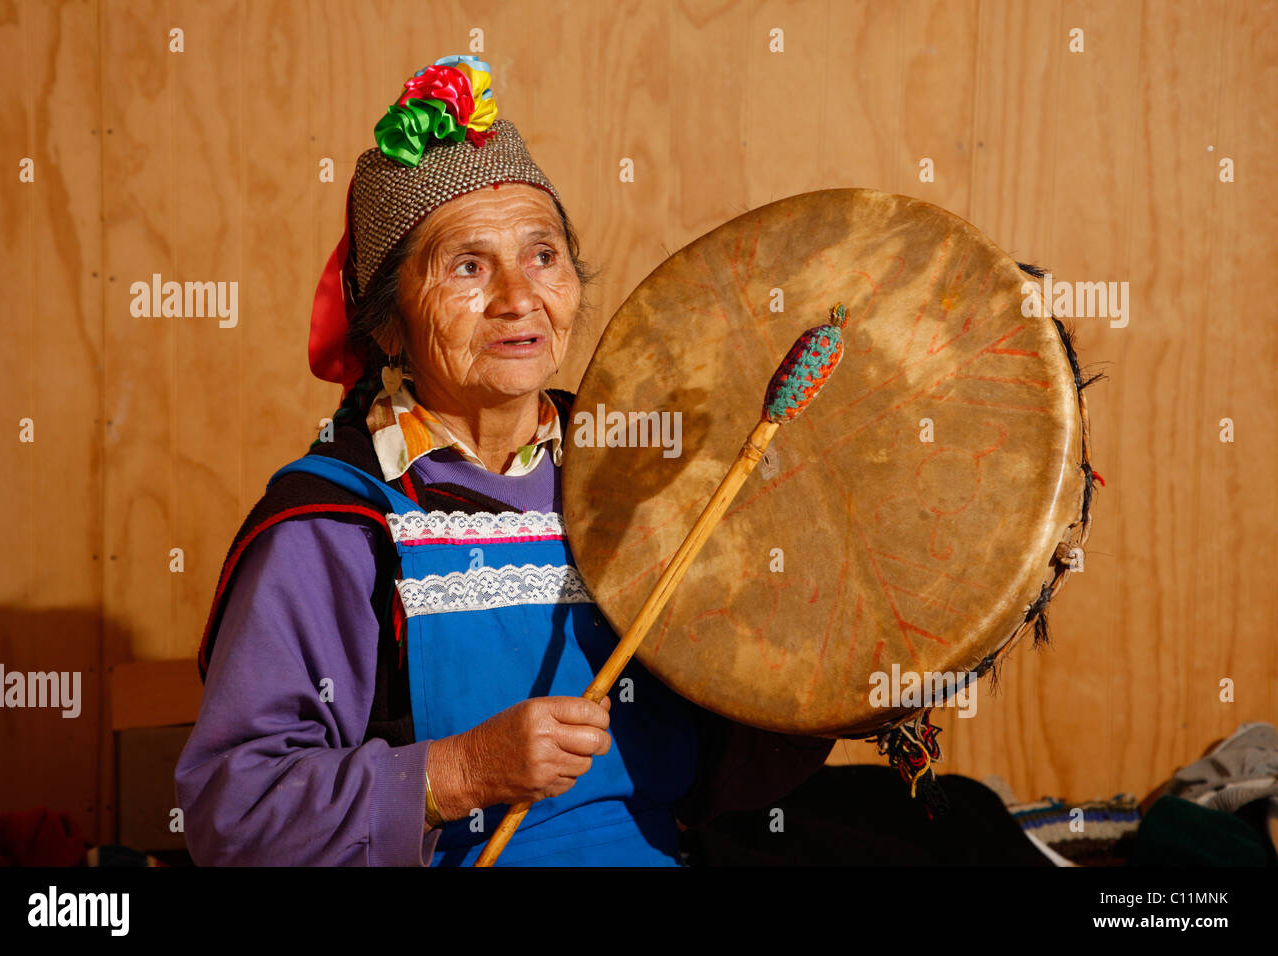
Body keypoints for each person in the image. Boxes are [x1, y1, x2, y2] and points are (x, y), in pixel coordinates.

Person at [175, 54, 831, 866]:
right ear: (388, 325)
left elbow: (719, 758)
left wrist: (846, 670)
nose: (519, 297)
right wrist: (458, 772)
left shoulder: (631, 479)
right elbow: (229, 813)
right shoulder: (333, 527)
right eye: (468, 266)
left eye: (544, 255)